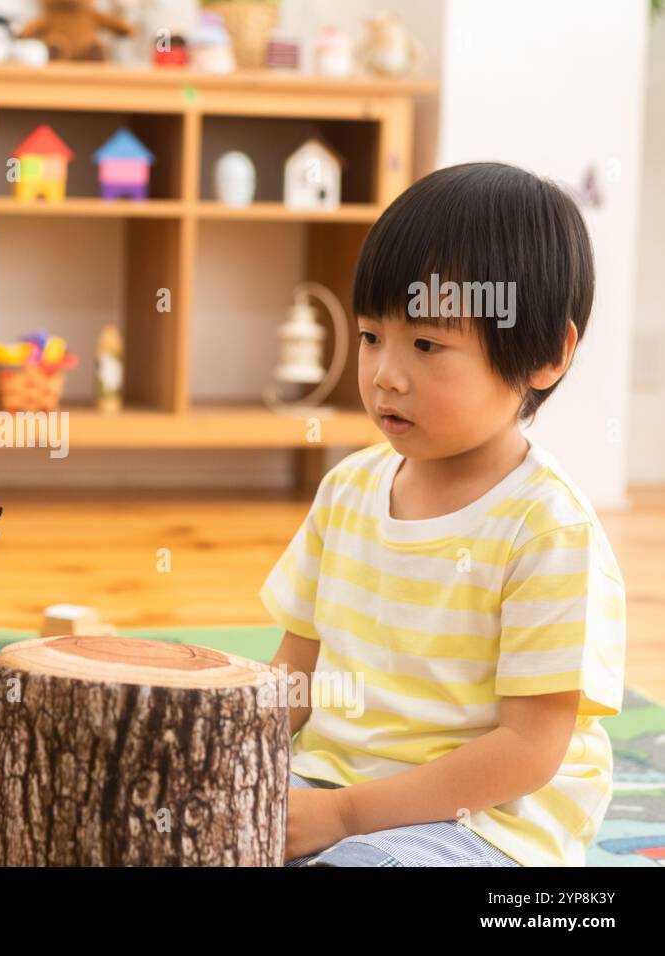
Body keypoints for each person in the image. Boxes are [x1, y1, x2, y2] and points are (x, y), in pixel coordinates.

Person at [261, 161, 625, 867]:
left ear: (547, 354)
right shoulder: (347, 490)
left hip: (476, 826)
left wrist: (347, 815)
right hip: (327, 787)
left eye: (427, 344)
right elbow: (294, 676)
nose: (385, 375)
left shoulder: (548, 531)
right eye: (371, 337)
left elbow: (528, 751)